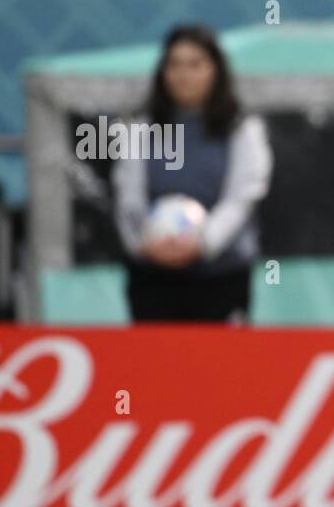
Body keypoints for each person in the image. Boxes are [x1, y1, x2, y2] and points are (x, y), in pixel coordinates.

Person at [113, 24, 273, 323]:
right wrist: (143, 244)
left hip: (221, 278)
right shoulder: (140, 129)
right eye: (174, 64)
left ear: (215, 70)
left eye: (195, 64)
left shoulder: (242, 129)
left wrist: (202, 243)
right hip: (153, 276)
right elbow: (128, 197)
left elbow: (241, 198)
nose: (184, 74)